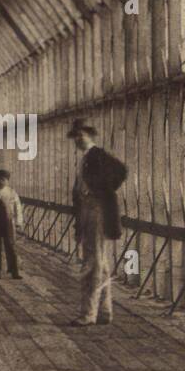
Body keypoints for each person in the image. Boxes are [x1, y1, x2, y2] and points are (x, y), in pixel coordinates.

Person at [68, 119, 126, 326]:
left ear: (89, 135)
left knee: (91, 263)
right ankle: (104, 311)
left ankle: (88, 314)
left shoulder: (96, 154)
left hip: (95, 210)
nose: (77, 139)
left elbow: (121, 171)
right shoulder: (85, 157)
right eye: (75, 136)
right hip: (87, 210)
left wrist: (100, 191)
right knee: (99, 263)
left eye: (80, 135)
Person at [0, 169, 24, 279]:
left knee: (11, 247)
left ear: (7, 181)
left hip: (9, 223)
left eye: (3, 180)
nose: (1, 182)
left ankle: (14, 271)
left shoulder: (12, 192)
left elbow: (18, 208)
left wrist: (18, 222)